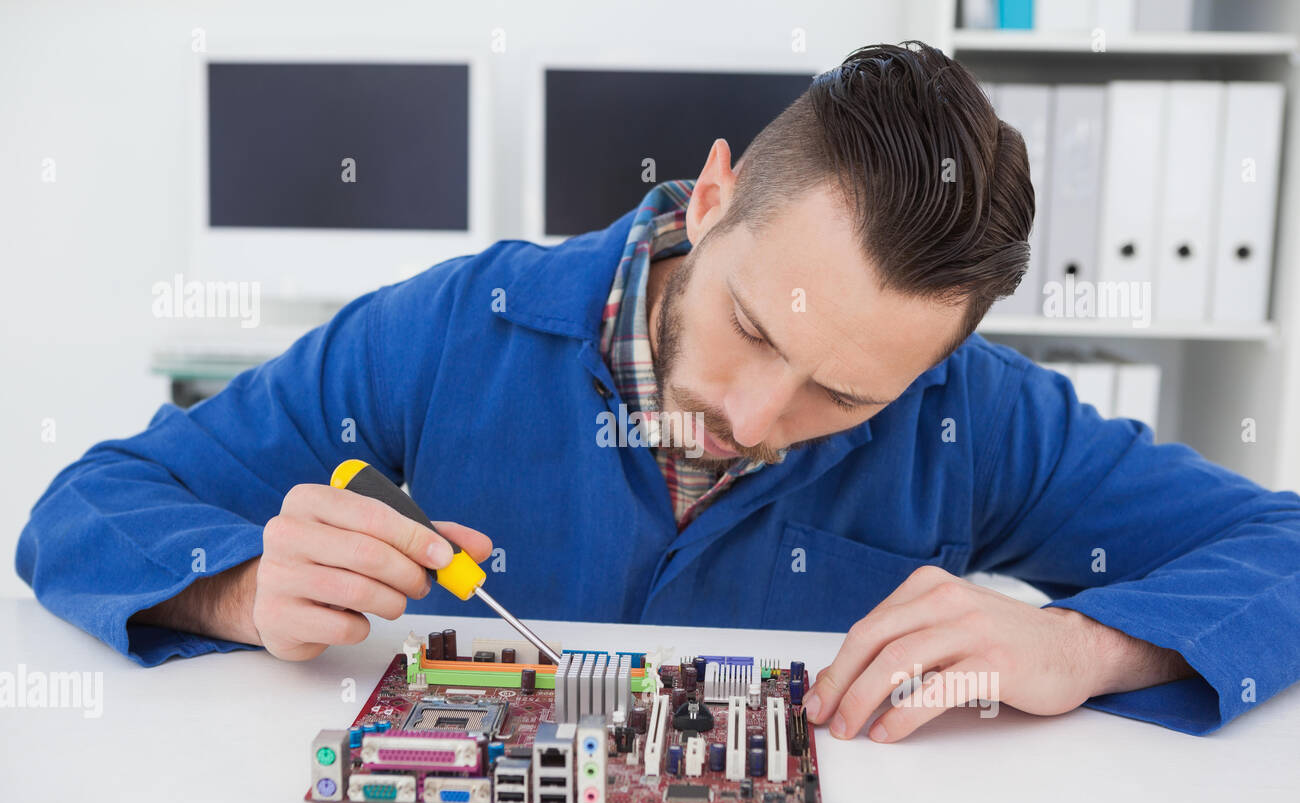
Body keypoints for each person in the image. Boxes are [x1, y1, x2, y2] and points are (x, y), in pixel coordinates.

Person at [17, 42, 1300, 742]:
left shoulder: (980, 417)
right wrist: (239, 586)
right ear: (712, 193)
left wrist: (1084, 641)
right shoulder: (445, 332)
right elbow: (84, 508)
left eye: (844, 396)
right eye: (751, 323)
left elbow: (1281, 546)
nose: (751, 419)